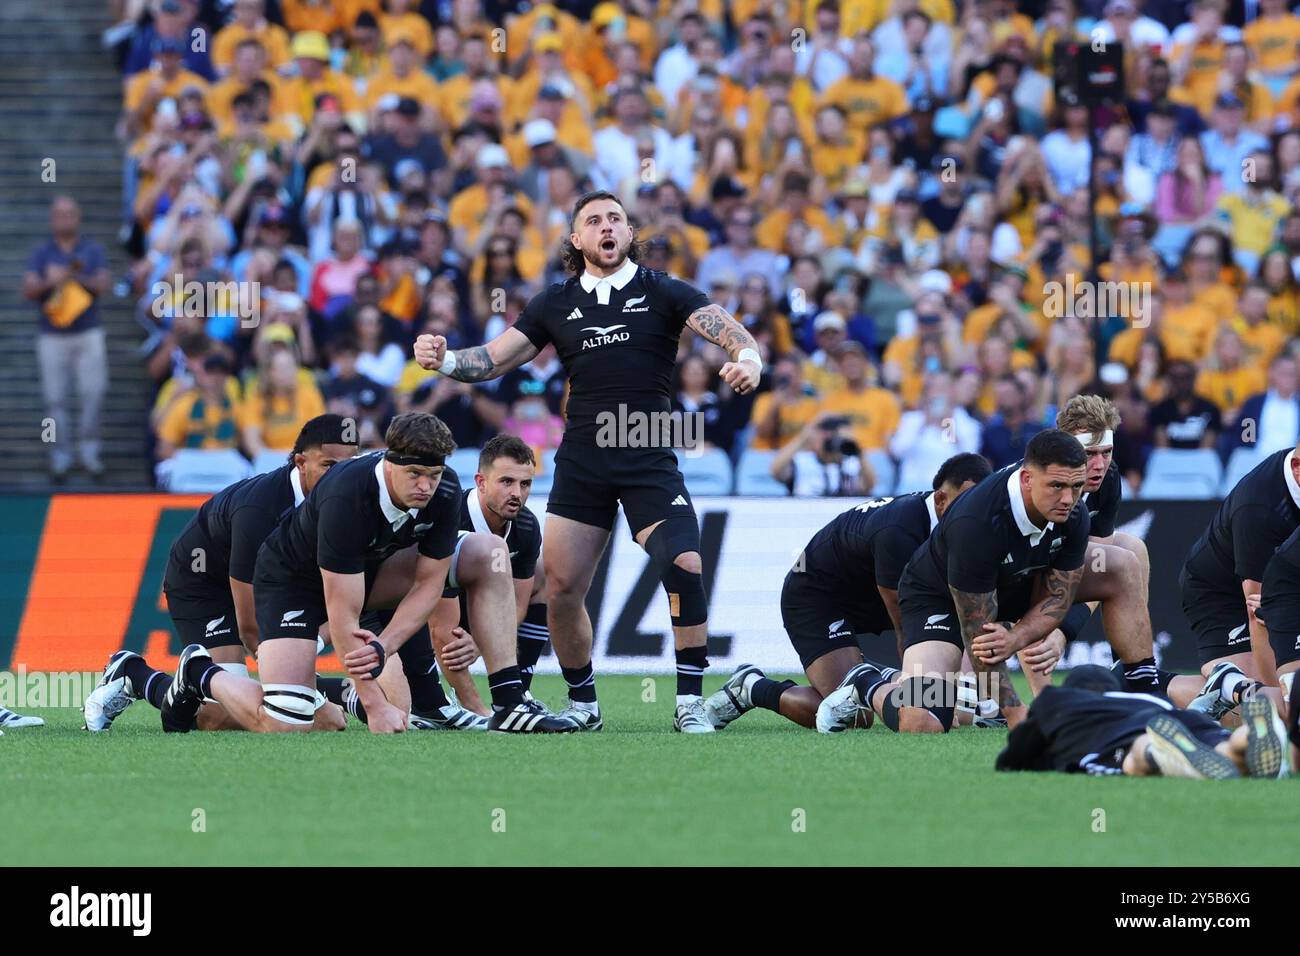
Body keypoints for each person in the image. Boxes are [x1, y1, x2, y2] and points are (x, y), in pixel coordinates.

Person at [413, 190, 763, 732]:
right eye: (594, 220)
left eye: (616, 219)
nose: (607, 227)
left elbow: (727, 328)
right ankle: (584, 704)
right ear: (577, 240)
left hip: (648, 455)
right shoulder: (555, 302)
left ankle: (689, 701)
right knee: (561, 588)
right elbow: (492, 360)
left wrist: (748, 358)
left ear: (628, 235)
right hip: (582, 460)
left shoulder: (662, 290)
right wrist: (447, 360)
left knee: (685, 566)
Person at [162, 412, 573, 735]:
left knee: (489, 552)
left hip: (372, 571)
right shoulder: (346, 495)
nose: (425, 487)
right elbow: (343, 613)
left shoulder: (444, 487)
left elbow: (430, 583)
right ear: (388, 462)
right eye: (414, 475)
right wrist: (372, 704)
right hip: (293, 584)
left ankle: (509, 703)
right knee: (286, 723)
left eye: (432, 475)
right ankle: (197, 672)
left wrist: (384, 647)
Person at [824, 429, 1161, 734]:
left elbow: (1058, 597)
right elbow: (979, 635)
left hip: (1016, 583)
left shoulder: (1071, 513)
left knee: (1122, 564)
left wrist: (1018, 635)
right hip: (938, 598)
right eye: (1056, 486)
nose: (1067, 499)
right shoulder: (978, 523)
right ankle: (869, 680)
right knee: (923, 718)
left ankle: (1146, 694)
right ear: (1027, 479)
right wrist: (1016, 713)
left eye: (1075, 487)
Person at [83, 415, 358, 732]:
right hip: (205, 583)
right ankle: (134, 674)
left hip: (272, 583)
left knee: (308, 713)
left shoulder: (349, 502)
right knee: (216, 716)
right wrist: (294, 687)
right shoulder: (261, 510)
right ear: (300, 462)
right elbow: (251, 628)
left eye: (347, 467)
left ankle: (339, 694)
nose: (339, 478)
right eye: (328, 465)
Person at [705, 454, 992, 732]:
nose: (973, 515)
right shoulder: (900, 530)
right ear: (941, 501)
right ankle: (753, 688)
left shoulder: (964, 530)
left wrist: (954, 688)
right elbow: (908, 628)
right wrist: (925, 693)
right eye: (965, 504)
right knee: (857, 716)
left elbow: (962, 611)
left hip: (866, 594)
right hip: (817, 596)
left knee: (916, 696)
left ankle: (867, 676)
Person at [423, 434, 549, 720]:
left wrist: (481, 641)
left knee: (543, 576)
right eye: (506, 482)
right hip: (417, 613)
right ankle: (471, 706)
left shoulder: (526, 527)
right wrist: (480, 714)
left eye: (525, 484)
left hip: (478, 613)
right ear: (481, 482)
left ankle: (517, 695)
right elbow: (439, 627)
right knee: (402, 709)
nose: (517, 493)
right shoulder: (450, 518)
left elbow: (516, 605)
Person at [1175, 439, 1300, 720]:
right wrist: (1277, 698)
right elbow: (1260, 611)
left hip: (1283, 590)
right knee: (1265, 709)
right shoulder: (1259, 509)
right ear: (1297, 468)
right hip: (1221, 593)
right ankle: (1152, 688)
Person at [995, 665, 1289, 779]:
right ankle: (1249, 737)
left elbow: (1017, 753)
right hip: (1175, 715)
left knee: (1134, 755)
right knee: (1221, 746)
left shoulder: (1058, 701)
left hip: (1129, 735)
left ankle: (1158, 749)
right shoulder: (1149, 698)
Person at [22, 195, 111, 482]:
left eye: (70, 213)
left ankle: (89, 452)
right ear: (52, 219)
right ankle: (60, 456)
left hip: (88, 331)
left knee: (94, 392)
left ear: (78, 217)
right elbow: (29, 289)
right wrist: (52, 281)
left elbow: (104, 283)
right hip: (52, 335)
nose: (65, 219)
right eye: (59, 214)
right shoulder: (41, 252)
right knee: (54, 398)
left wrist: (74, 276)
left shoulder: (91, 249)